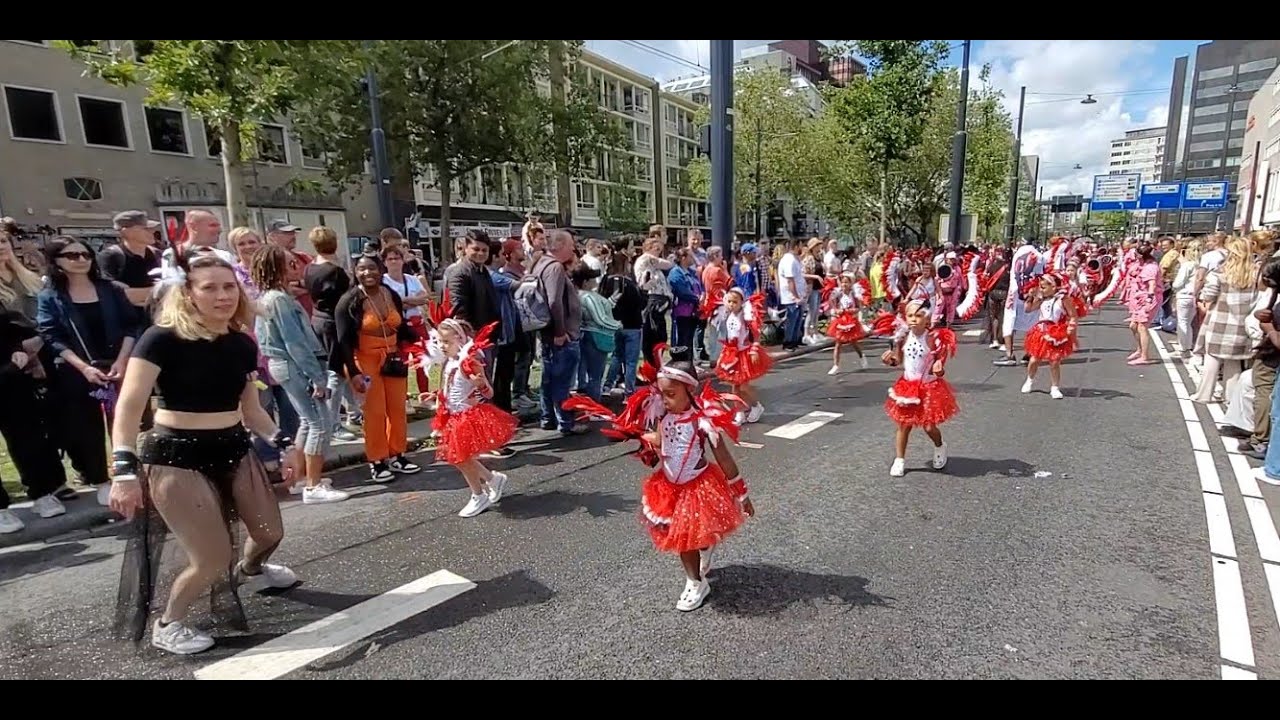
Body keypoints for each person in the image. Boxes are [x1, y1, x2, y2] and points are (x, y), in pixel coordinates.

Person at [108, 253, 301, 655]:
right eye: (209, 287)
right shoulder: (160, 339)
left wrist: (285, 444)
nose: (222, 295)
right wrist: (123, 472)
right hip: (175, 455)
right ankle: (169, 623)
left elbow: (251, 411)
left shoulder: (241, 344)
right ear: (188, 293)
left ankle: (252, 569)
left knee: (269, 533)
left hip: (233, 447)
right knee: (211, 557)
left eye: (229, 286)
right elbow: (128, 407)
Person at [565, 360, 755, 612]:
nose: (664, 400)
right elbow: (661, 445)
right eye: (661, 394)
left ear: (691, 391)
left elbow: (725, 460)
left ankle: (705, 546)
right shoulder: (662, 417)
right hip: (669, 488)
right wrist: (644, 442)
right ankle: (695, 582)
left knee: (695, 533)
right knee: (682, 539)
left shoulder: (703, 424)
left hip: (697, 487)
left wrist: (742, 494)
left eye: (671, 394)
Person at [420, 319, 517, 518]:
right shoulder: (449, 362)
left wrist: (480, 383)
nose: (442, 346)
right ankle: (492, 479)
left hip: (466, 417)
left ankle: (478, 495)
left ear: (460, 339)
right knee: (459, 458)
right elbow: (451, 387)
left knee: (460, 458)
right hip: (452, 416)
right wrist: (436, 395)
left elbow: (488, 394)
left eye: (446, 342)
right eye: (439, 341)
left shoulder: (468, 361)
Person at [882, 299, 958, 477]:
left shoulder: (933, 339)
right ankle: (899, 459)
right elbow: (898, 360)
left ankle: (940, 446)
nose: (913, 319)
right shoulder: (902, 338)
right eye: (910, 315)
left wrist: (939, 368)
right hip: (907, 386)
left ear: (927, 319)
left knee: (929, 427)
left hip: (928, 387)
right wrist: (889, 360)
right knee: (904, 425)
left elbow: (938, 364)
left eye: (918, 315)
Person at [1022, 273, 1078, 399]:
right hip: (1041, 332)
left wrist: (1070, 328)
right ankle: (1029, 380)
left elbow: (1073, 315)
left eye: (1043, 287)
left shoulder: (1063, 299)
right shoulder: (1041, 299)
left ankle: (1055, 387)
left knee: (1054, 361)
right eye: (1040, 287)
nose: (1040, 289)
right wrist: (1030, 297)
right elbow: (1028, 309)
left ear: (1053, 287)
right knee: (1034, 359)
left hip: (1057, 333)